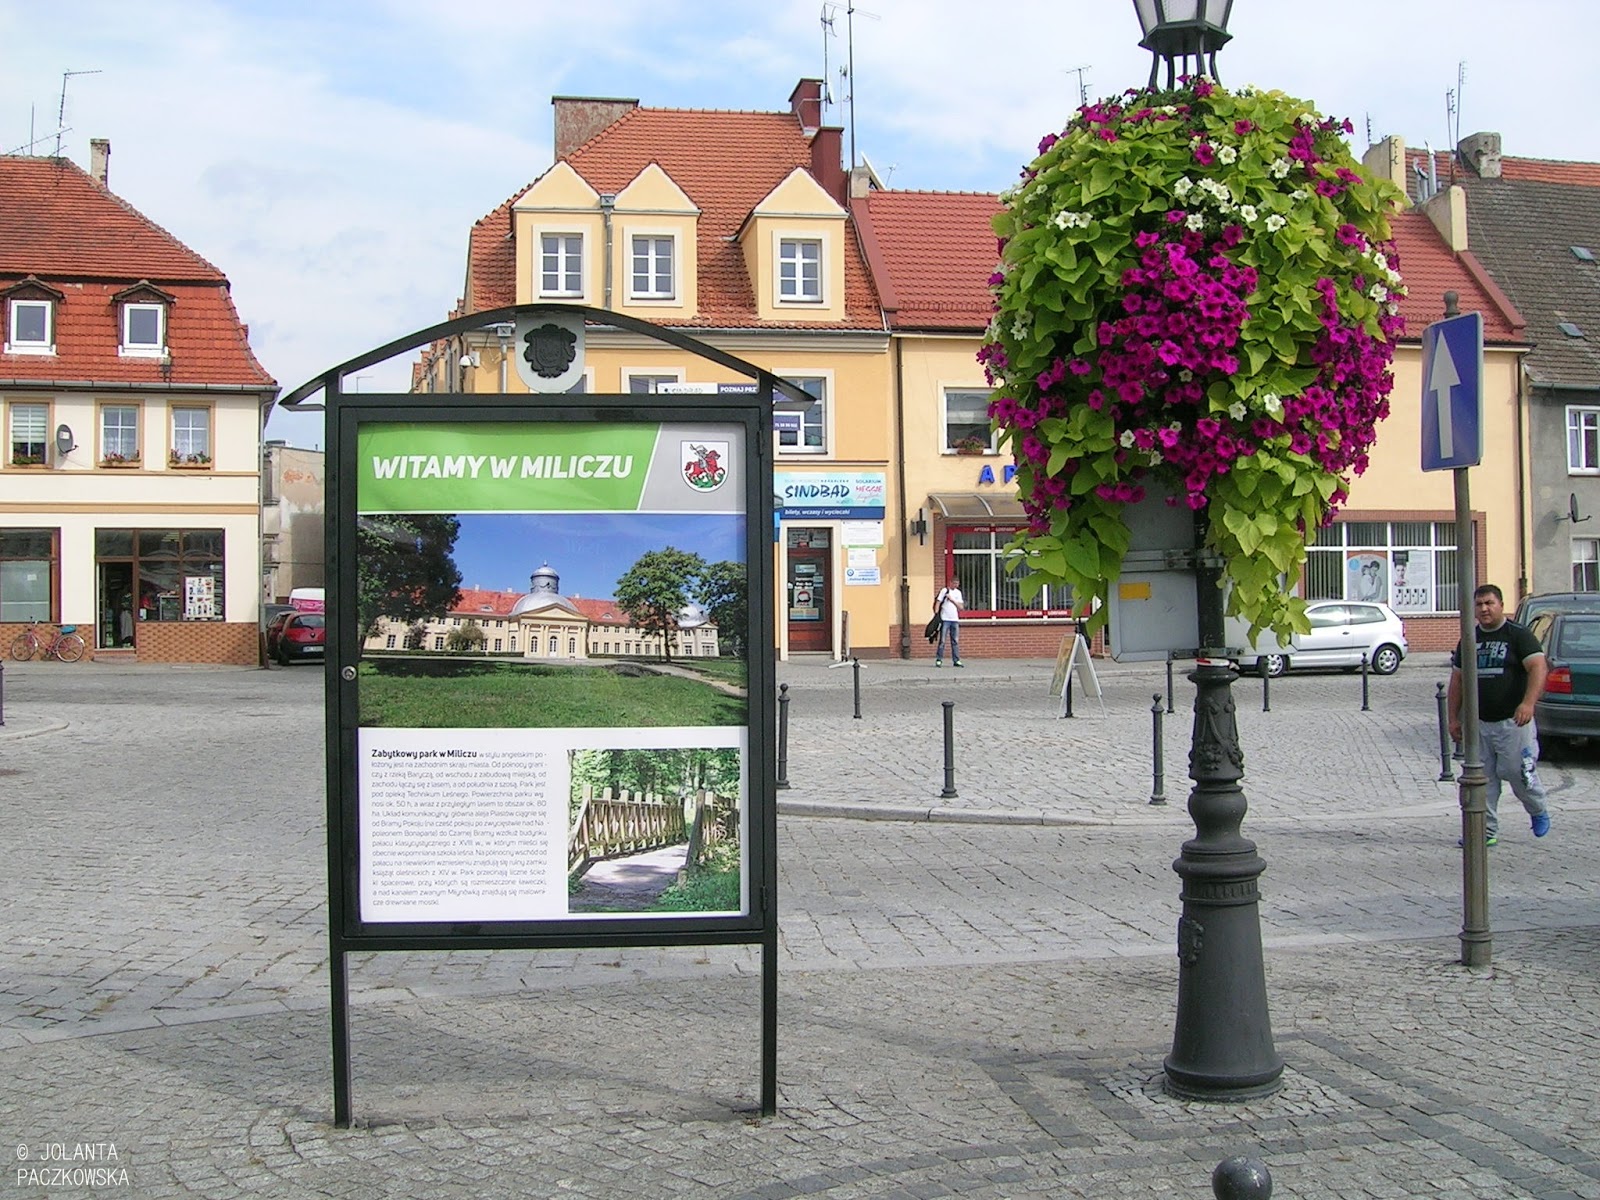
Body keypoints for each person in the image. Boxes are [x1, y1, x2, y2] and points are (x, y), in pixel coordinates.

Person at [1447, 583, 1552, 845]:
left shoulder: (1518, 635)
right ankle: (1485, 831)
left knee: (1519, 774)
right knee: (1483, 780)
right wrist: (1453, 718)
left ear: (1501, 606)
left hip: (1513, 723)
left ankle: (1538, 809)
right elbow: (1457, 681)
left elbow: (1538, 668)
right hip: (1479, 724)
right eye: (1479, 604)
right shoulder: (1470, 639)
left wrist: (1528, 703)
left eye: (1489, 603)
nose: (1484, 609)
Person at [933, 574, 964, 667]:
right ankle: (939, 659)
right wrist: (936, 615)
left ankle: (956, 660)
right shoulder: (944, 590)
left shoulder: (958, 593)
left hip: (954, 619)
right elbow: (938, 602)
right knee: (942, 640)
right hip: (945, 619)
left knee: (955, 641)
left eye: (957, 584)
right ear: (950, 583)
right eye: (954, 583)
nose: (956, 585)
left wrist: (952, 600)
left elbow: (961, 607)